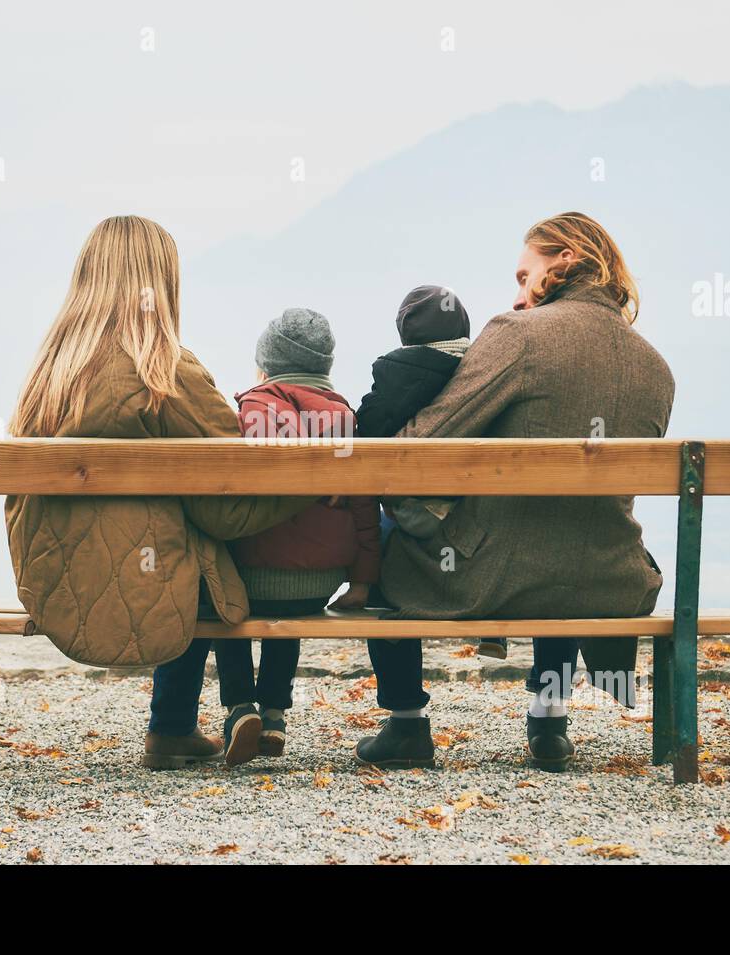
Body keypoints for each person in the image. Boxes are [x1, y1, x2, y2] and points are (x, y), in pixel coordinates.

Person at [354, 212, 675, 772]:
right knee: (563, 538)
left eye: (525, 277)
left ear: (565, 261)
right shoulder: (656, 367)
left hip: (496, 576)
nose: (520, 295)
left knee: (386, 543)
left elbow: (418, 446)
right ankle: (548, 720)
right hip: (608, 578)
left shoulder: (517, 336)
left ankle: (406, 723)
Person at [4, 215, 310, 769]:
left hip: (53, 577)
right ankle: (183, 721)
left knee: (162, 530)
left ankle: (173, 726)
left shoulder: (49, 375)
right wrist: (305, 490)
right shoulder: (166, 371)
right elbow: (228, 504)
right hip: (149, 586)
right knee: (198, 544)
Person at [217, 308, 381, 765]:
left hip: (247, 584)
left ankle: (239, 707)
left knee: (225, 605)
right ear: (323, 368)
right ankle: (273, 714)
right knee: (287, 609)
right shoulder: (344, 417)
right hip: (317, 584)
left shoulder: (250, 410)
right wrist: (362, 580)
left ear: (265, 367)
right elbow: (366, 507)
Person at [353, 285, 506, 659]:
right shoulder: (483, 372)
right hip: (476, 517)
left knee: (383, 563)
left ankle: (406, 710)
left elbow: (369, 430)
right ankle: (496, 629)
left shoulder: (397, 372)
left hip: (416, 513)